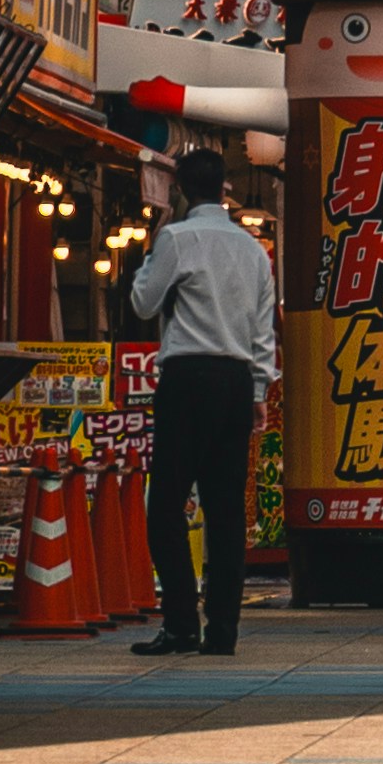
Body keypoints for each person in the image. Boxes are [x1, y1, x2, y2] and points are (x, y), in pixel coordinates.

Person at [122, 144, 277, 657]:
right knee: (225, 510)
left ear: (183, 190)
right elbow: (262, 330)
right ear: (224, 190)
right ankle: (224, 631)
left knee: (166, 504)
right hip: (235, 381)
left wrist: (148, 256)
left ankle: (182, 623)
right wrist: (258, 391)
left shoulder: (176, 238)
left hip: (187, 377)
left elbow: (144, 301)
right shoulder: (253, 250)